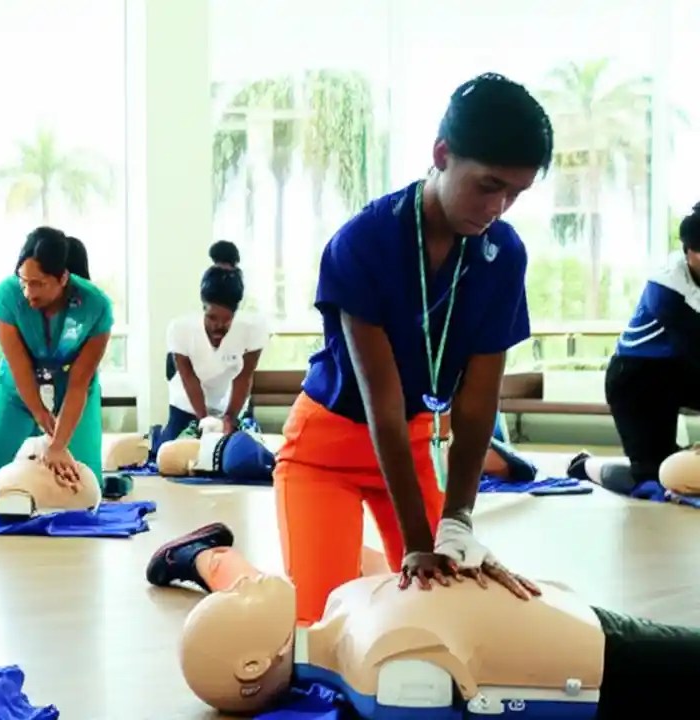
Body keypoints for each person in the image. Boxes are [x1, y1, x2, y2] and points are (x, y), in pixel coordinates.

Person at [275, 72, 552, 624]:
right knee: (320, 626)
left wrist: (457, 524)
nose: (499, 207)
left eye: (515, 194)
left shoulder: (503, 252)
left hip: (414, 443)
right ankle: (212, 558)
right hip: (326, 449)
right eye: (489, 185)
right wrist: (417, 544)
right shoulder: (363, 244)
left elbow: (476, 404)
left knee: (447, 604)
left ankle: (356, 560)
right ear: (442, 154)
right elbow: (382, 401)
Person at [148, 523, 689, 719]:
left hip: (571, 614)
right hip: (599, 662)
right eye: (234, 599)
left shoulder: (342, 607)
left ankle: (197, 556)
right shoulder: (379, 665)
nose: (247, 586)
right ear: (252, 664)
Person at [0, 227, 113, 490]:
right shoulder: (7, 296)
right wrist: (41, 415)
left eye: (38, 283)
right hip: (19, 388)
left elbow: (79, 382)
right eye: (24, 281)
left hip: (73, 390)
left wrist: (58, 445)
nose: (29, 292)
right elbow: (19, 367)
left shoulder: (95, 306)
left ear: (63, 278)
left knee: (83, 485)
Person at [599, 205, 700, 493]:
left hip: (679, 372)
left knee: (674, 468)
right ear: (687, 251)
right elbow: (695, 349)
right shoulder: (666, 285)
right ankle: (585, 466)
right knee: (651, 478)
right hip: (636, 378)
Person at [163, 241, 270, 441]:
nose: (218, 326)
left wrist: (230, 417)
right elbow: (188, 377)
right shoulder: (180, 329)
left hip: (230, 404)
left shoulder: (253, 328)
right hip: (187, 404)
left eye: (226, 320)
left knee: (240, 456)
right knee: (174, 453)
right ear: (203, 308)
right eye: (212, 318)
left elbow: (244, 377)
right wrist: (205, 420)